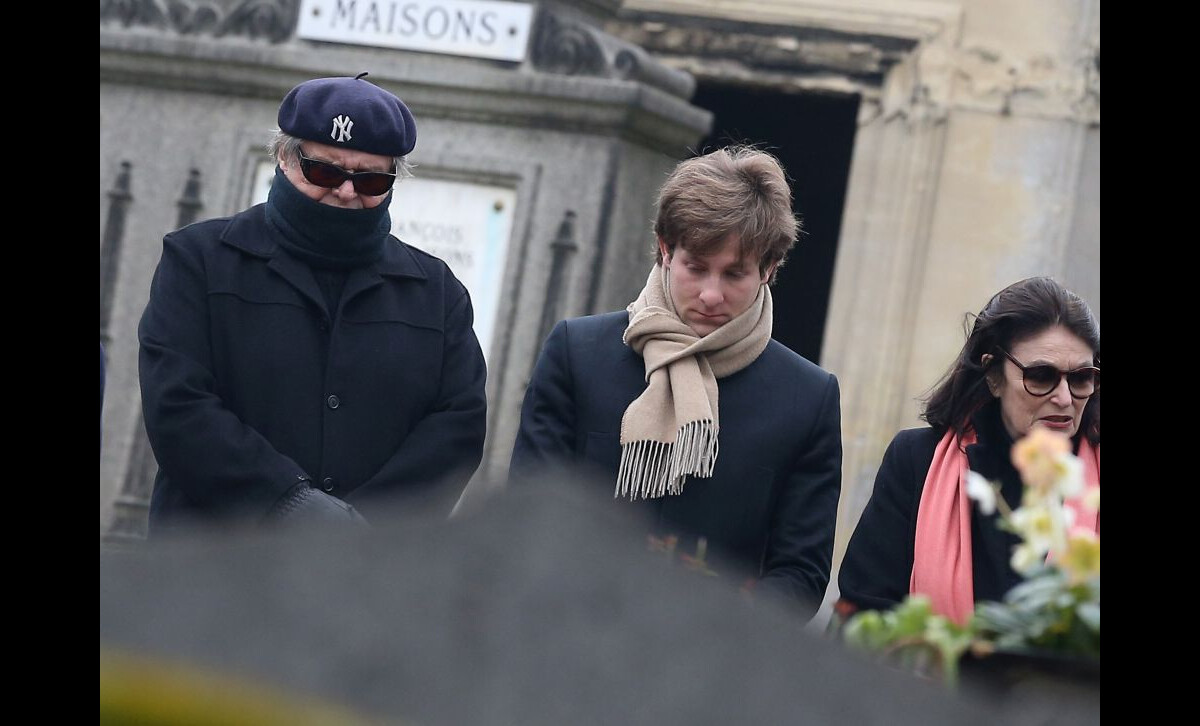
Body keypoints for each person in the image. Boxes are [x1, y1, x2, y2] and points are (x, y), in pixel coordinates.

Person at [139, 74, 487, 532]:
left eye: (370, 179)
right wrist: (288, 506)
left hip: (361, 578)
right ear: (284, 158)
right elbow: (179, 406)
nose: (346, 191)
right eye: (324, 171)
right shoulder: (199, 260)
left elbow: (456, 426)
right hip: (210, 568)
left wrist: (360, 530)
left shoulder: (437, 291)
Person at [509, 146, 842, 621]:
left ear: (769, 269)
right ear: (665, 248)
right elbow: (527, 512)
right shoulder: (577, 353)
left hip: (707, 668)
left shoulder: (807, 397)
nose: (711, 293)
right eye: (696, 266)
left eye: (735, 274)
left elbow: (800, 573)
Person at [836, 276, 1100, 624]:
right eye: (1040, 375)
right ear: (993, 374)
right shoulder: (917, 459)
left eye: (1081, 377)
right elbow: (863, 613)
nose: (1064, 399)